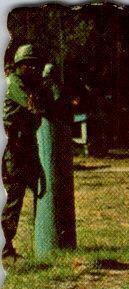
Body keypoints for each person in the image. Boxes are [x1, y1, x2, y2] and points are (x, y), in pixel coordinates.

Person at [3, 45, 47, 261]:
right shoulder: (14, 83)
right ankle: (4, 249)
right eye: (29, 65)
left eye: (35, 65)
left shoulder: (25, 85)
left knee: (16, 199)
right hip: (12, 149)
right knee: (11, 199)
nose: (34, 69)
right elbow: (35, 106)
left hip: (22, 148)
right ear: (20, 66)